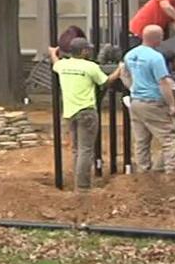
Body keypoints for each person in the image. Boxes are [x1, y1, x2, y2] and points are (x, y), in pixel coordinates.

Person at [49, 37, 123, 190]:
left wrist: (52, 53)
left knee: (77, 149)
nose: (90, 51)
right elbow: (105, 82)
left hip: (70, 113)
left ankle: (78, 184)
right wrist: (119, 69)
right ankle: (83, 187)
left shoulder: (63, 65)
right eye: (88, 49)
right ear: (83, 51)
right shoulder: (90, 67)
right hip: (87, 111)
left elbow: (55, 63)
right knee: (86, 150)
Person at [122, 24, 175, 173]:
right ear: (157, 38)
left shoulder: (130, 54)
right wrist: (172, 105)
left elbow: (126, 75)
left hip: (136, 102)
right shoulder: (155, 57)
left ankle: (143, 175)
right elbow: (163, 82)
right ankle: (172, 174)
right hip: (153, 101)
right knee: (169, 139)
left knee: (141, 141)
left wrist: (133, 90)